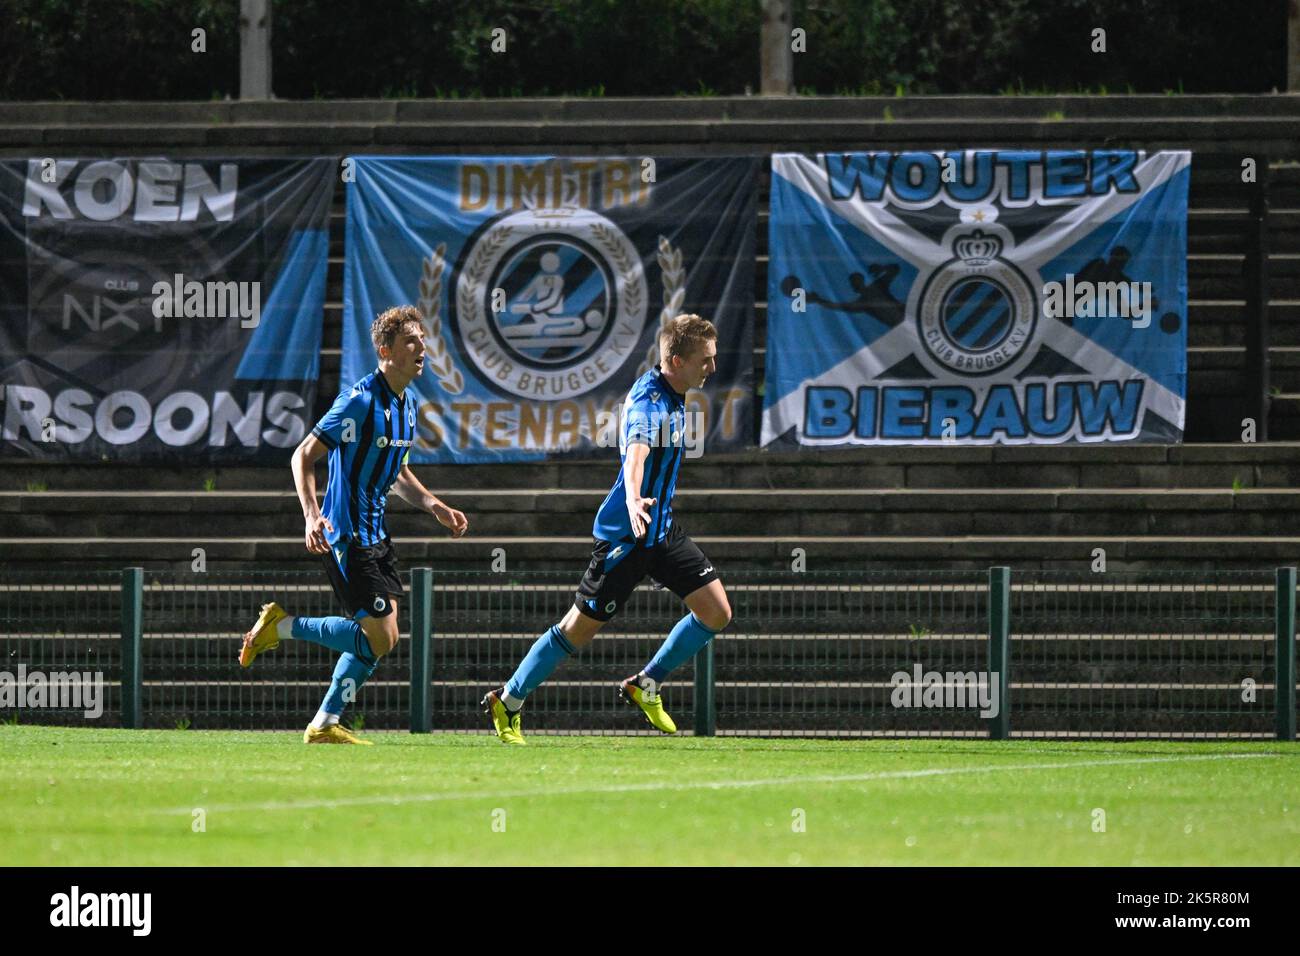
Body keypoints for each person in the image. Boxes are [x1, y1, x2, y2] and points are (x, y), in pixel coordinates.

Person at [482, 314, 732, 744]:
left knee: (716, 612)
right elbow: (635, 453)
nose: (712, 367)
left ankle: (646, 684)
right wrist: (634, 499)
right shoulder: (649, 402)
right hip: (626, 536)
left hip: (660, 529)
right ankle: (509, 700)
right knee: (575, 632)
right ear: (676, 360)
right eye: (705, 360)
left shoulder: (676, 393)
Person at [238, 305, 469, 744]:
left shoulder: (408, 403)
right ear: (386, 350)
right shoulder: (358, 401)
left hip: (377, 535)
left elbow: (398, 472)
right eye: (411, 341)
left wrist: (434, 506)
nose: (422, 348)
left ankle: (325, 722)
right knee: (380, 639)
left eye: (422, 339)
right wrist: (311, 513)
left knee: (380, 637)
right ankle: (281, 626)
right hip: (345, 535)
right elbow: (302, 456)